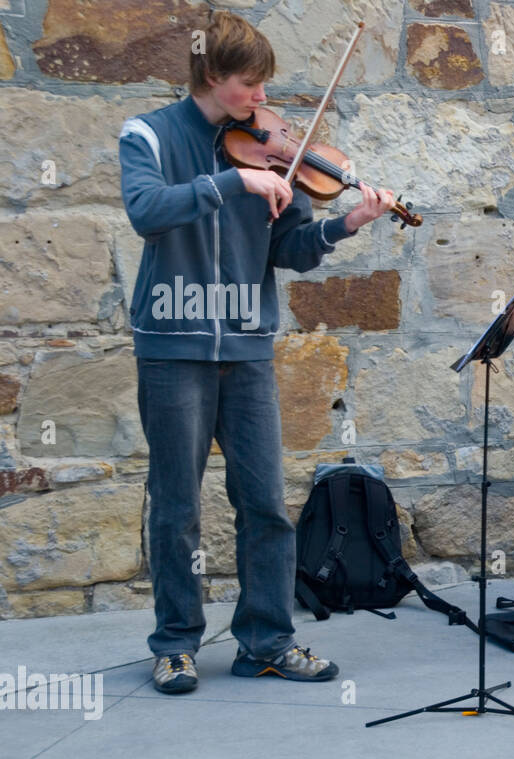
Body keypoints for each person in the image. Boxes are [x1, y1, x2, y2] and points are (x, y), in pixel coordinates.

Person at [119, 11, 395, 692]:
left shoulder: (273, 148)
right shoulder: (148, 134)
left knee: (266, 503)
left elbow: (291, 248)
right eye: (251, 85)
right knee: (176, 506)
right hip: (173, 346)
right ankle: (176, 642)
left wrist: (345, 225)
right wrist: (234, 183)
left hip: (245, 349)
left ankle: (266, 640)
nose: (263, 100)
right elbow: (147, 210)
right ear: (212, 77)